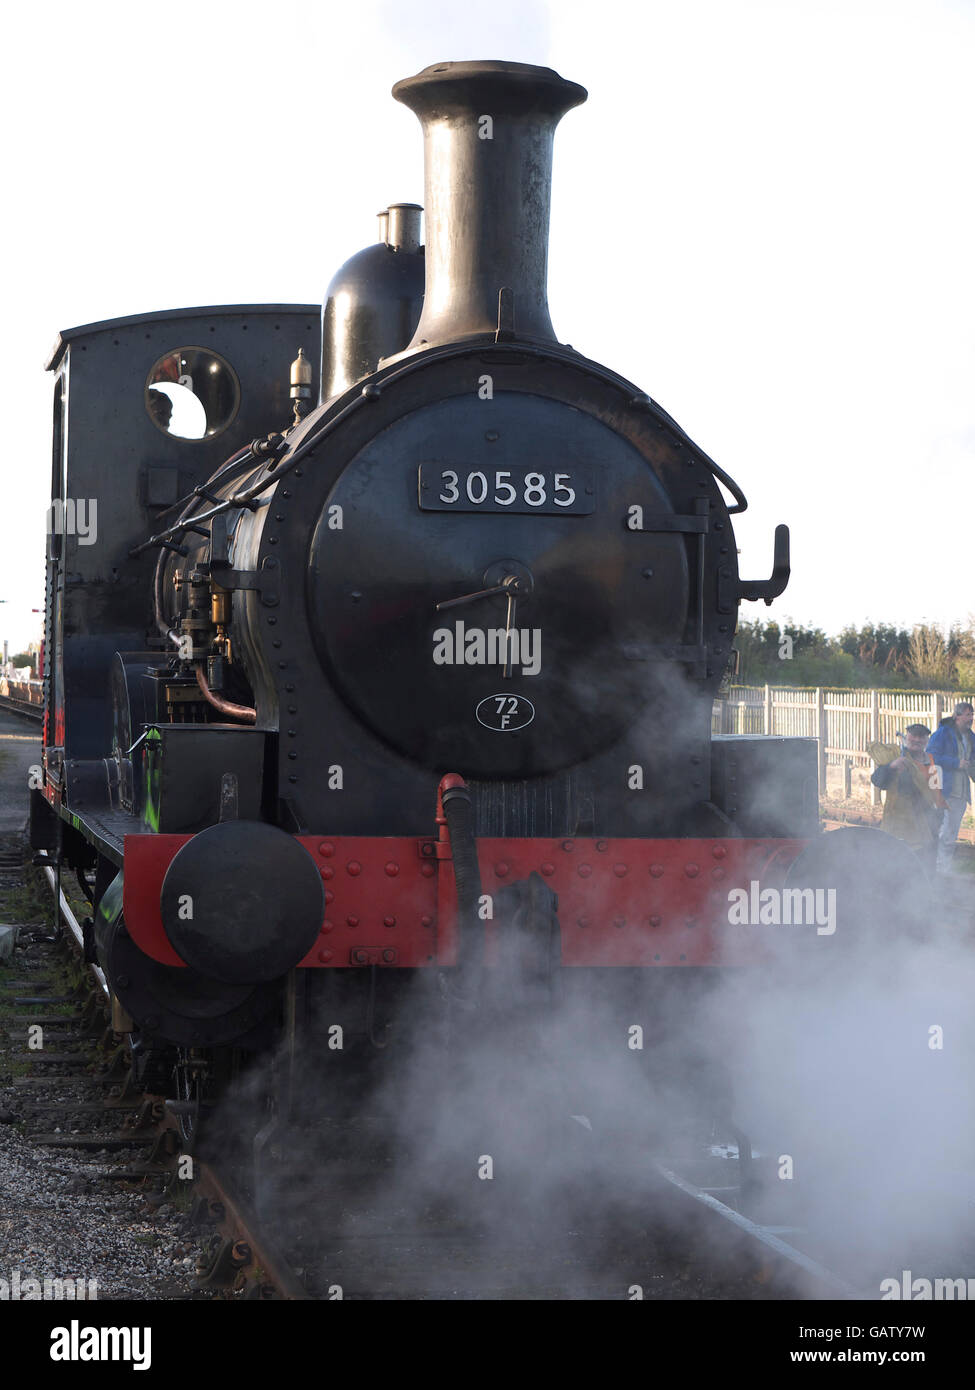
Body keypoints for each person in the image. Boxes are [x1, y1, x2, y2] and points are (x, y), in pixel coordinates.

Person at [869, 724, 947, 871]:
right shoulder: (897, 757)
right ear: (907, 737)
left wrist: (937, 820)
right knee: (896, 867)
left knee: (923, 869)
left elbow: (937, 795)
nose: (917, 739)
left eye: (921, 736)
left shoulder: (932, 763)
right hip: (898, 825)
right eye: (913, 735)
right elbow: (877, 780)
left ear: (926, 740)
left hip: (925, 826)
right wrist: (891, 766)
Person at [926, 701, 974, 873]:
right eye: (967, 715)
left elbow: (972, 761)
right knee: (943, 832)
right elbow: (931, 755)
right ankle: (938, 868)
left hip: (961, 792)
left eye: (972, 715)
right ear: (957, 716)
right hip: (945, 790)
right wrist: (955, 763)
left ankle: (943, 867)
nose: (971, 718)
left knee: (951, 832)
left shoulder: (970, 736)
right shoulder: (943, 733)